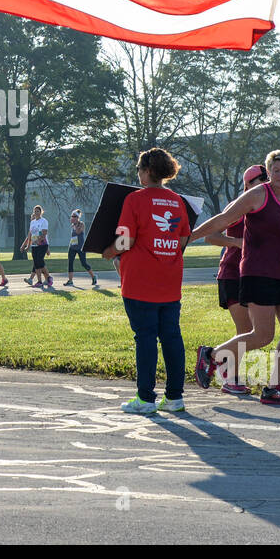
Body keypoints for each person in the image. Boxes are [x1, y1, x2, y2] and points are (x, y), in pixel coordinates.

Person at [189, 148, 280, 406]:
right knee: (262, 335)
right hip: (259, 272)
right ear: (269, 172)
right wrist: (188, 237)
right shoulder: (258, 194)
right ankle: (212, 355)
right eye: (275, 170)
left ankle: (274, 387)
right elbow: (222, 219)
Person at [101, 148, 192, 413]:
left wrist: (109, 251)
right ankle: (175, 398)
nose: (138, 174)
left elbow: (125, 239)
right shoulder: (177, 201)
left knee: (145, 338)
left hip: (140, 280)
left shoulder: (134, 199)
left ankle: (145, 398)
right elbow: (184, 239)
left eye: (139, 169)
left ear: (147, 170)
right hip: (170, 280)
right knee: (172, 336)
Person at [212, 165, 266, 394]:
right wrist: (237, 243)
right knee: (246, 328)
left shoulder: (266, 208)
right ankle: (226, 373)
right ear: (248, 184)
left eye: (267, 178)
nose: (265, 182)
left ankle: (222, 365)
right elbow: (211, 237)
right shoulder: (239, 207)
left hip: (253, 275)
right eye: (261, 179)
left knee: (256, 331)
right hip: (232, 274)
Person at [20, 205, 53, 287]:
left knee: (39, 261)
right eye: (35, 211)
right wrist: (27, 246)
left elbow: (44, 233)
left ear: (41, 212)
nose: (36, 213)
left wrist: (39, 240)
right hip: (34, 246)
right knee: (36, 263)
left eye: (38, 211)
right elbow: (30, 235)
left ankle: (48, 277)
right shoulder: (32, 222)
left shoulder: (44, 221)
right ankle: (40, 281)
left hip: (42, 244)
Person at [64, 210, 97, 287]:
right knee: (70, 263)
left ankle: (93, 276)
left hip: (80, 247)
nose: (72, 218)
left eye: (74, 216)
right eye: (72, 216)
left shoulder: (81, 224)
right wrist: (73, 224)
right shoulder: (72, 225)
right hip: (72, 246)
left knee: (83, 263)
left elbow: (79, 232)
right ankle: (70, 280)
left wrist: (75, 225)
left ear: (77, 217)